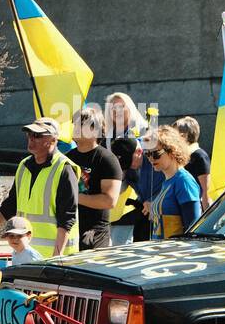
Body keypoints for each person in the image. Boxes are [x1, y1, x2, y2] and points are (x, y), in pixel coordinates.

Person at [0, 117, 79, 258]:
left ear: (53, 140)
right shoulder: (23, 166)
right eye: (29, 134)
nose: (31, 138)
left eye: (37, 135)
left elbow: (67, 218)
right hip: (25, 253)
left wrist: (56, 257)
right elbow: (11, 205)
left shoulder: (64, 168)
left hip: (54, 257)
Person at [65, 105, 123, 251]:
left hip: (95, 234)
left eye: (80, 124)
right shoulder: (67, 158)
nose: (74, 127)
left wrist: (73, 197)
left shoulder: (107, 159)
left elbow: (109, 201)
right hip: (69, 229)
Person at [105, 92, 149, 244]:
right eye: (112, 108)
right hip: (110, 203)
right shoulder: (106, 138)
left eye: (121, 106)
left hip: (135, 204)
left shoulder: (144, 134)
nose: (116, 111)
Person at [146, 126, 202, 239]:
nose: (151, 159)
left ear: (172, 151)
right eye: (147, 154)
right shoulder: (168, 181)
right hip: (161, 252)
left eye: (156, 154)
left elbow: (193, 229)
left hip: (176, 253)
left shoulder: (184, 181)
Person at [174, 115, 211, 212]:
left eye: (174, 135)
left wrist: (207, 220)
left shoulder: (200, 156)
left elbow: (205, 193)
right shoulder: (181, 156)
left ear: (184, 136)